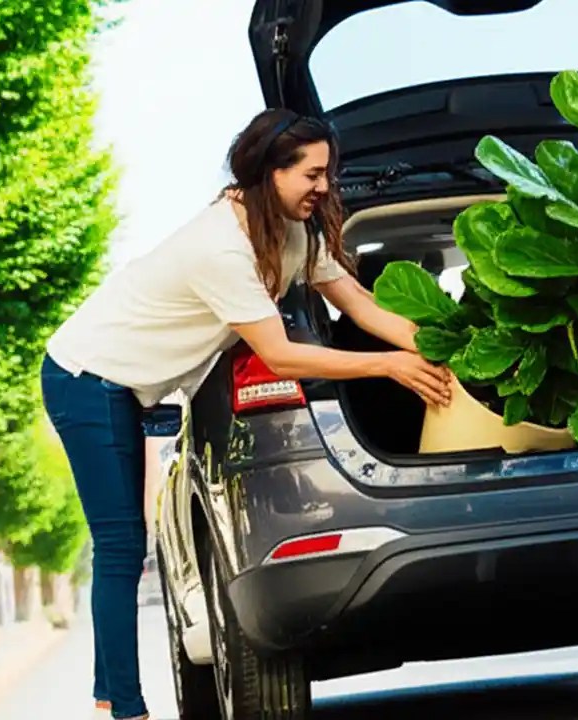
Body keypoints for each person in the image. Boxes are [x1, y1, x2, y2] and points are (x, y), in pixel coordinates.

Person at [39, 108, 451, 720]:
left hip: (129, 383)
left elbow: (361, 306)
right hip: (89, 375)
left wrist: (440, 345)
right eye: (312, 174)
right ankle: (123, 707)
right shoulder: (220, 246)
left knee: (126, 545)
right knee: (123, 545)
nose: (324, 187)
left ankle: (107, 692)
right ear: (270, 171)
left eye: (328, 174)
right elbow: (280, 354)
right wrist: (386, 367)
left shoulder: (292, 230)